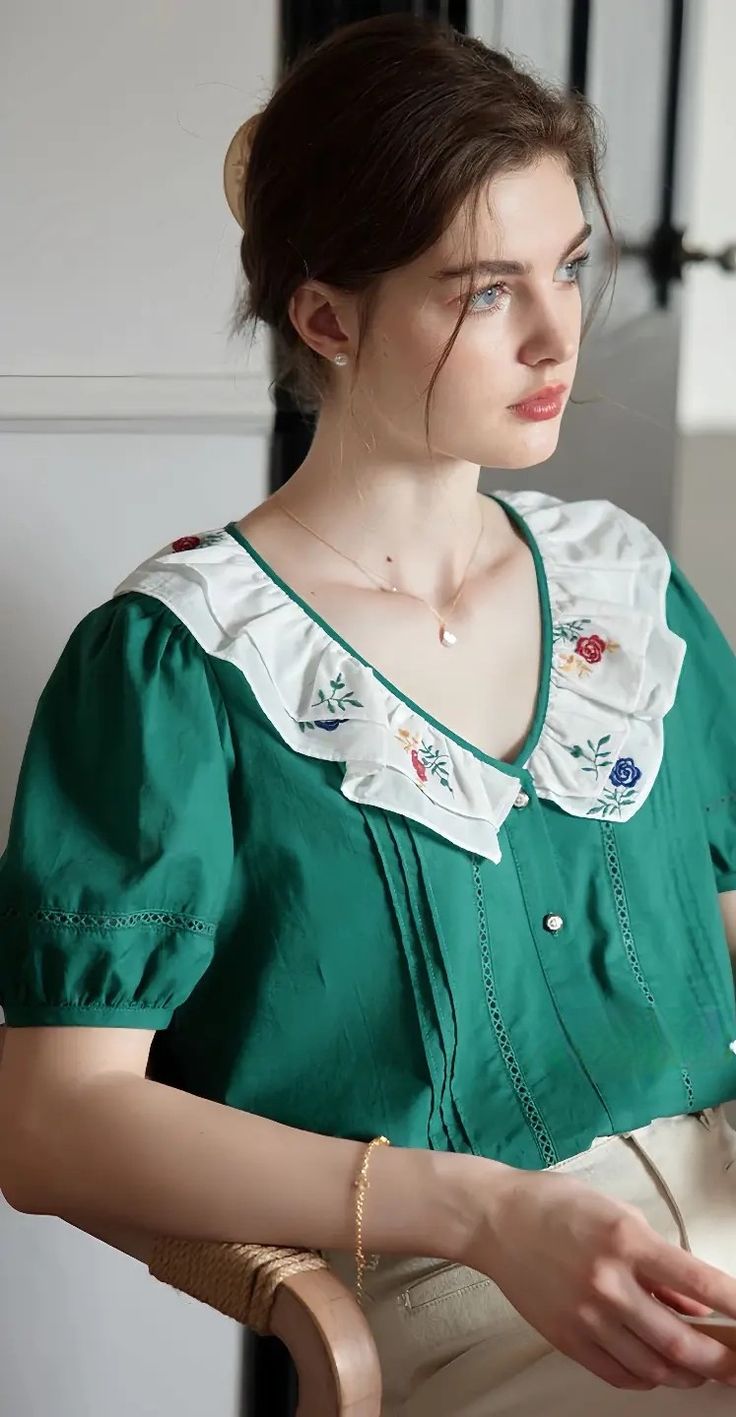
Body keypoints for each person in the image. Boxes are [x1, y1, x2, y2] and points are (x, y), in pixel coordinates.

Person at [2, 13, 736, 1414]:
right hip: (474, 1308)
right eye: (482, 291)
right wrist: (476, 1213)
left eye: (568, 269)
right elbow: (51, 1121)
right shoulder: (182, 668)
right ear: (327, 317)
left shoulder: (622, 592)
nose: (554, 331)